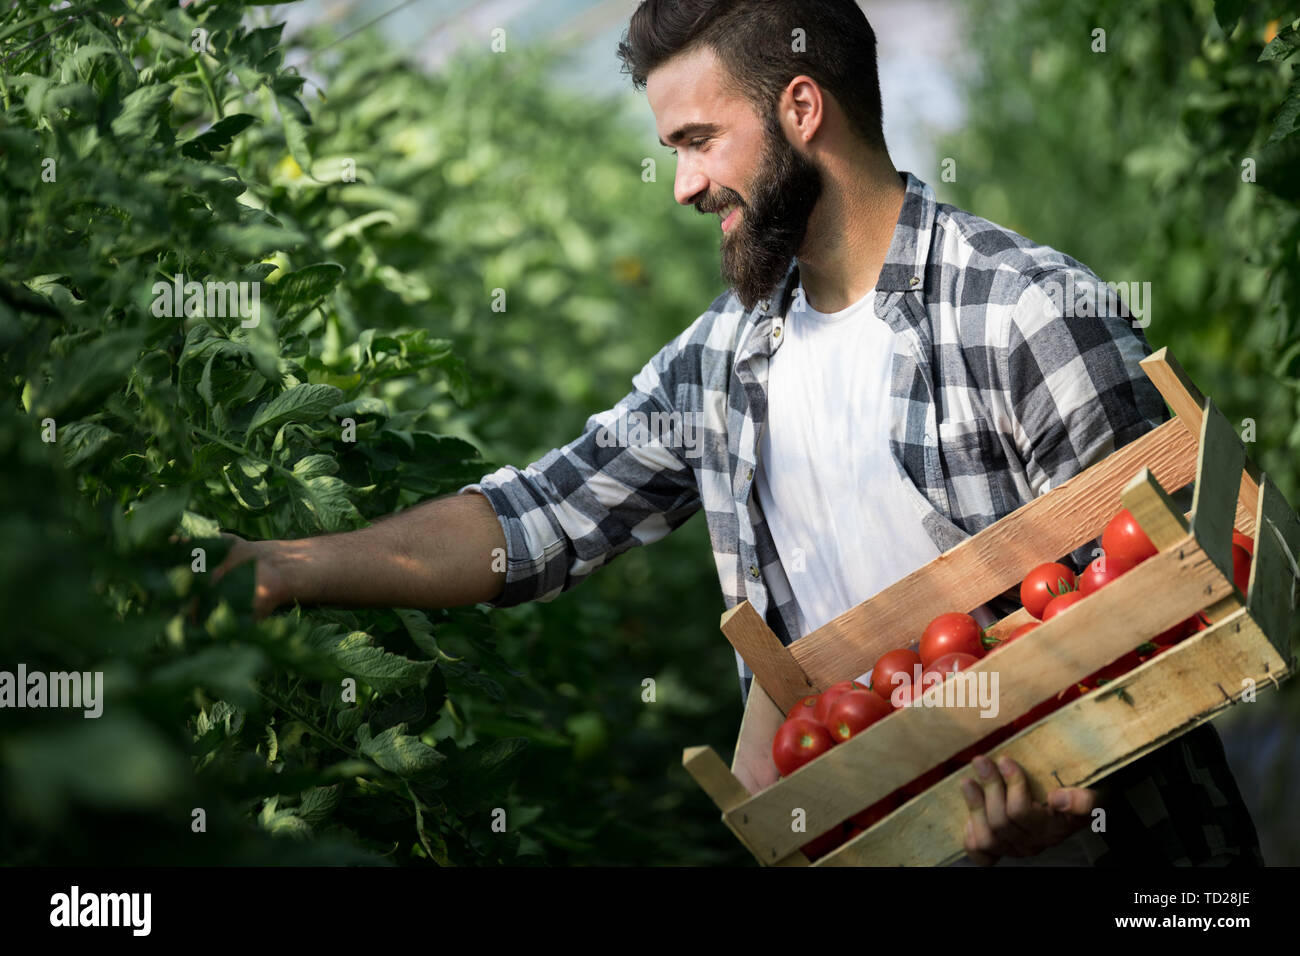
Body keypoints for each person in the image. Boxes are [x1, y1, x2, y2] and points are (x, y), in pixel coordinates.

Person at [218, 0, 1264, 866]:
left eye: (697, 140)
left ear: (801, 106)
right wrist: (280, 567)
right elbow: (536, 519)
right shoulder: (724, 360)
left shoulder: (1018, 312)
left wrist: (1059, 784)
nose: (680, 184)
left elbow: (1162, 608)